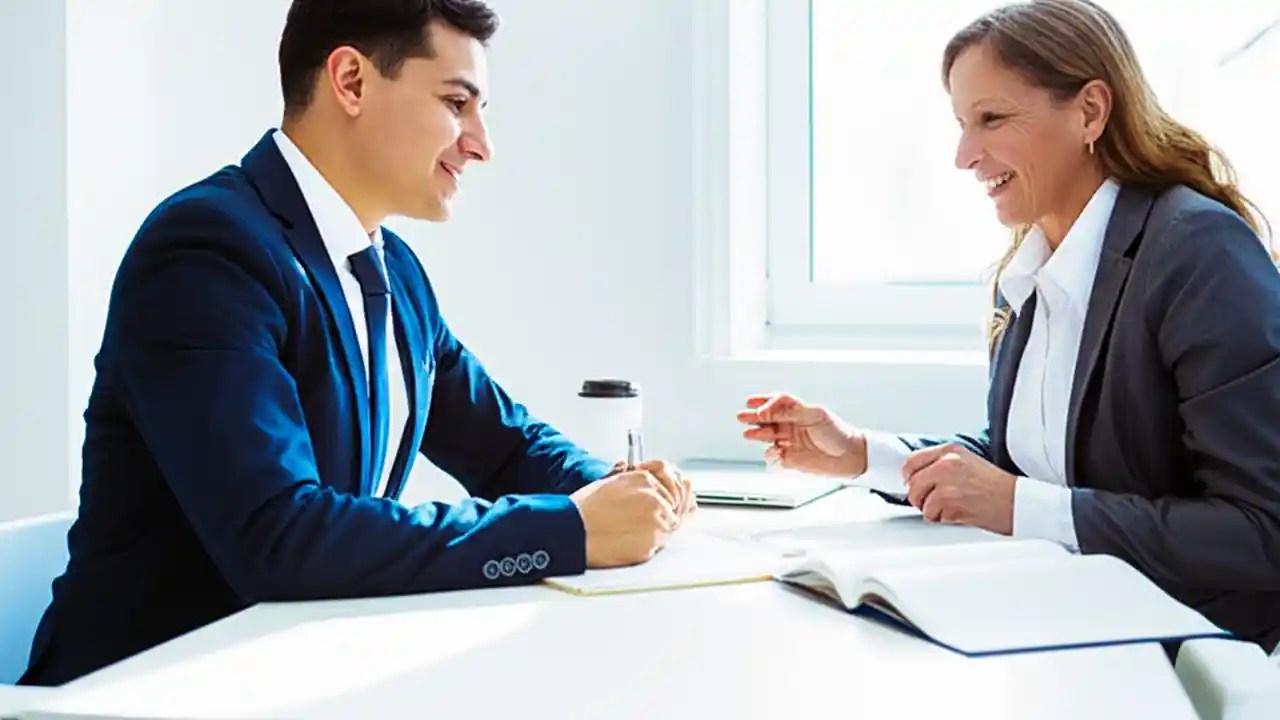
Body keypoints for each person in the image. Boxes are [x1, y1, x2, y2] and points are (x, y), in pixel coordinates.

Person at [22, 0, 694, 686]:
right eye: (457, 103)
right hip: (141, 690)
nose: (480, 142)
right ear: (350, 81)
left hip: (291, 675)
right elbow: (279, 534)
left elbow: (504, 446)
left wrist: (617, 490)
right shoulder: (206, 251)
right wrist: (566, 530)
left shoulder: (393, 271)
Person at [739, 0, 1280, 654]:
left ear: (1090, 111)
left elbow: (1261, 533)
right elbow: (1031, 460)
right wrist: (861, 453)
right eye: (963, 124)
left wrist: (1020, 506)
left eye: (991, 119)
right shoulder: (1026, 270)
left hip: (1183, 649)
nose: (966, 155)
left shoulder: (1199, 252)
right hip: (1066, 615)